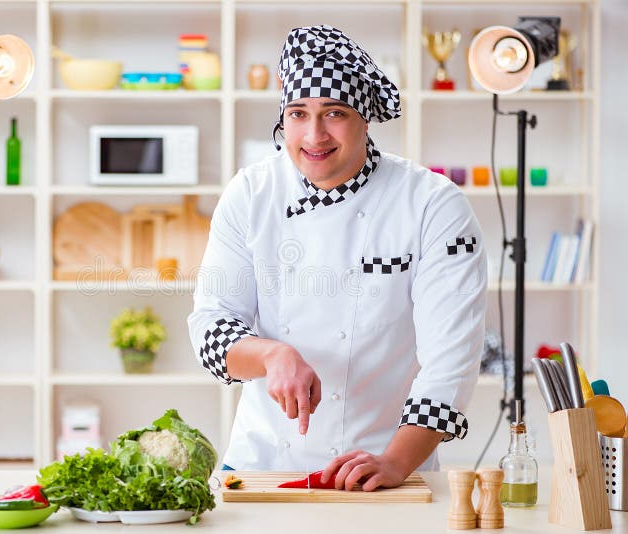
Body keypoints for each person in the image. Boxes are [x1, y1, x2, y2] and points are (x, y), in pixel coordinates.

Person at [187, 25, 486, 491]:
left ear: (365, 119)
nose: (314, 135)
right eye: (298, 113)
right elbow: (211, 325)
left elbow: (451, 361)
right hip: (261, 464)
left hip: (381, 469)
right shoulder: (251, 193)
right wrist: (272, 355)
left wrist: (395, 462)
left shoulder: (432, 204)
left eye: (335, 113)